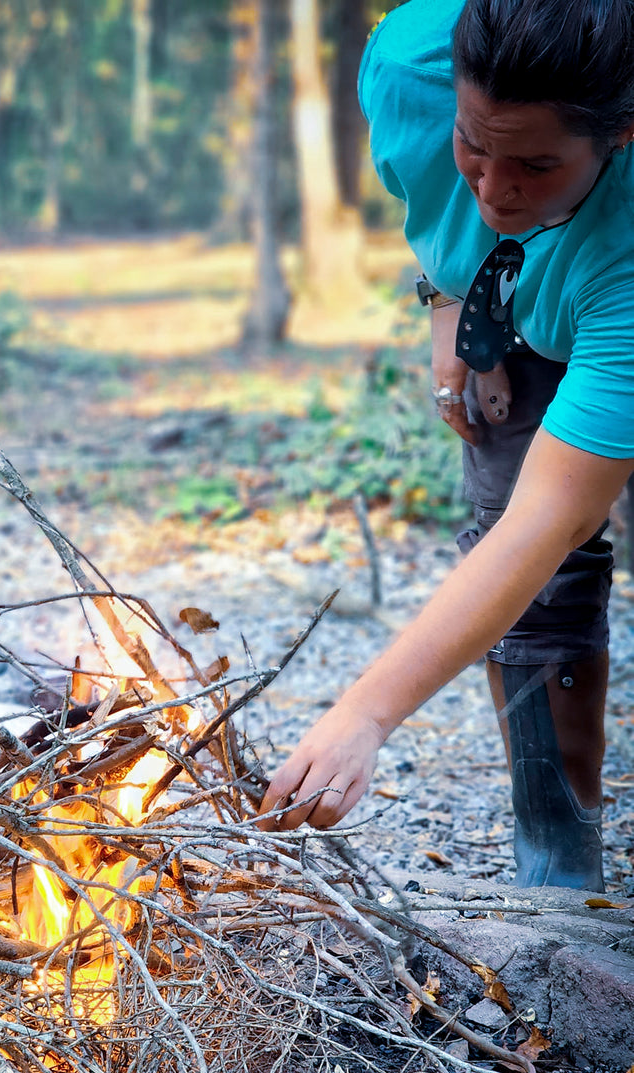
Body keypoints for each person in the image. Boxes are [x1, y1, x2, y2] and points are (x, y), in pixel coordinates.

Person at [260, 0, 634, 889]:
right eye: (477, 142)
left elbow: (550, 517)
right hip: (517, 287)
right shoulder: (410, 68)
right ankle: (558, 853)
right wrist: (451, 306)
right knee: (518, 520)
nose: (495, 187)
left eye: (534, 163)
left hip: (603, 280)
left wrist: (364, 713)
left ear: (619, 136)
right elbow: (436, 196)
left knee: (551, 518)